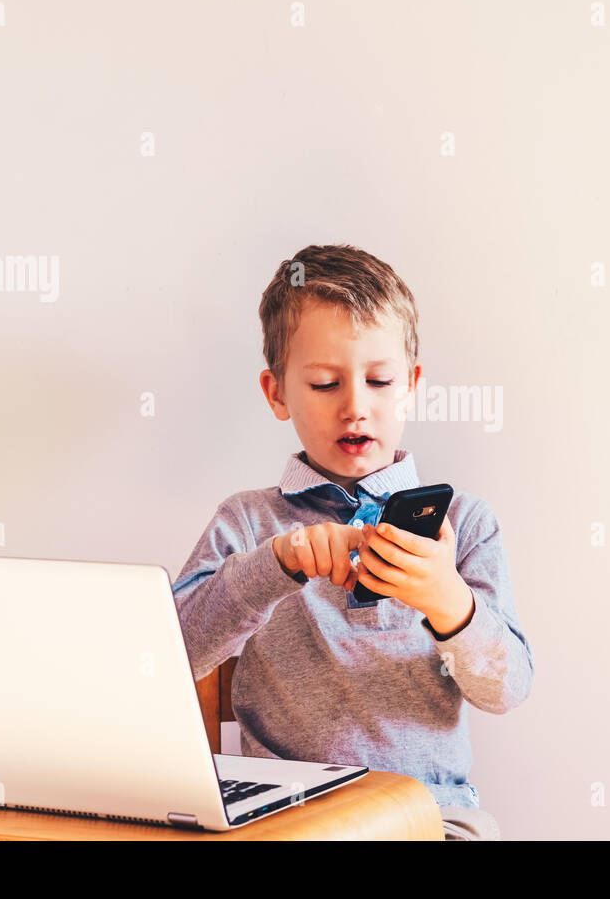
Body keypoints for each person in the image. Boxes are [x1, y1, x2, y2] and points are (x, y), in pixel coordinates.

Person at [171, 244, 534, 840]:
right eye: (323, 383)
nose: (355, 407)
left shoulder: (464, 523)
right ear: (277, 393)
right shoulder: (247, 522)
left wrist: (449, 602)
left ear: (411, 386)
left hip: (432, 815)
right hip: (284, 818)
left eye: (380, 380)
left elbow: (507, 687)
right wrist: (275, 566)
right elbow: (175, 654)